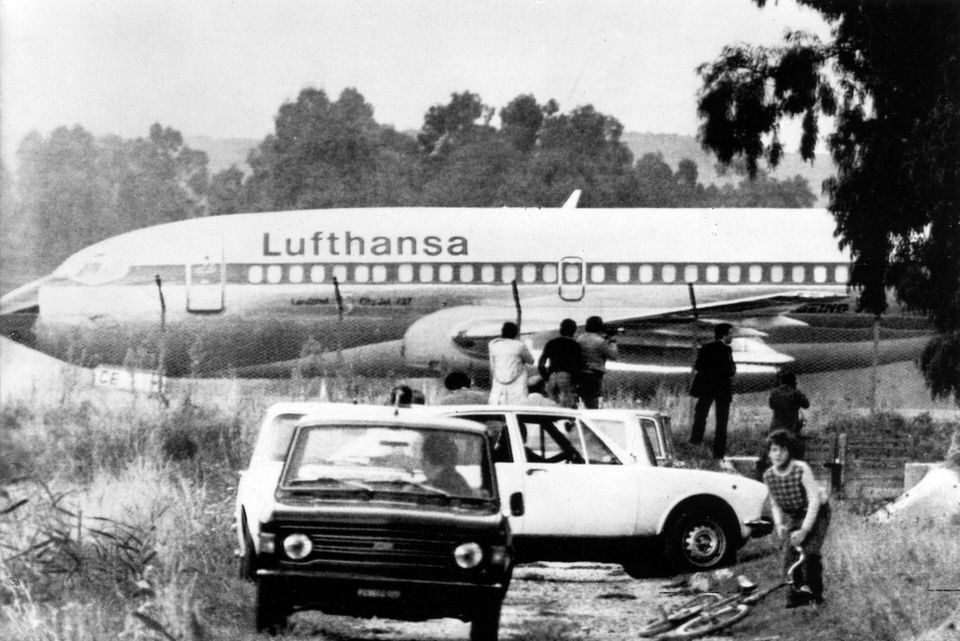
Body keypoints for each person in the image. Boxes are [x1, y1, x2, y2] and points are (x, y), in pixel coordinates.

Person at [763, 429, 831, 608]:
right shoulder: (769, 475)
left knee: (809, 553)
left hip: (817, 512)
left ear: (790, 452)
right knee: (790, 555)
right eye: (774, 450)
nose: (778, 455)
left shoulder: (801, 468)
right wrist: (779, 524)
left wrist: (804, 530)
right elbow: (775, 503)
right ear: (769, 452)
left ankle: (816, 596)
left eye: (783, 450)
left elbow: (814, 500)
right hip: (795, 514)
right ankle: (796, 597)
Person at [688, 322, 736, 459]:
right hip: (722, 388)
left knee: (701, 415)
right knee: (722, 420)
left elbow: (698, 366)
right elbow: (730, 370)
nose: (732, 336)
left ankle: (695, 441)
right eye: (730, 333)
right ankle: (718, 452)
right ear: (725, 334)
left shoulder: (706, 348)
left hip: (707, 386)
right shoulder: (727, 350)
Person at [537, 318, 584, 408]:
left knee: (551, 404)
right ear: (573, 331)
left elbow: (541, 363)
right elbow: (578, 365)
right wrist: (576, 382)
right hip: (566, 376)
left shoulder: (552, 343)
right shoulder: (575, 345)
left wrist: (546, 377)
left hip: (552, 376)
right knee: (566, 405)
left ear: (560, 330)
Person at [577, 316, 619, 409]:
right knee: (592, 404)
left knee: (582, 400)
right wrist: (611, 340)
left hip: (580, 373)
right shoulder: (600, 341)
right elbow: (613, 355)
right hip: (594, 375)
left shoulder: (580, 338)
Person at [488, 322, 534, 405]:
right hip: (517, 384)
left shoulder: (494, 346)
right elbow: (531, 361)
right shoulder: (519, 345)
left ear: (502, 332)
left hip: (499, 383)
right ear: (515, 333)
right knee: (518, 405)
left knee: (498, 406)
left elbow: (492, 366)